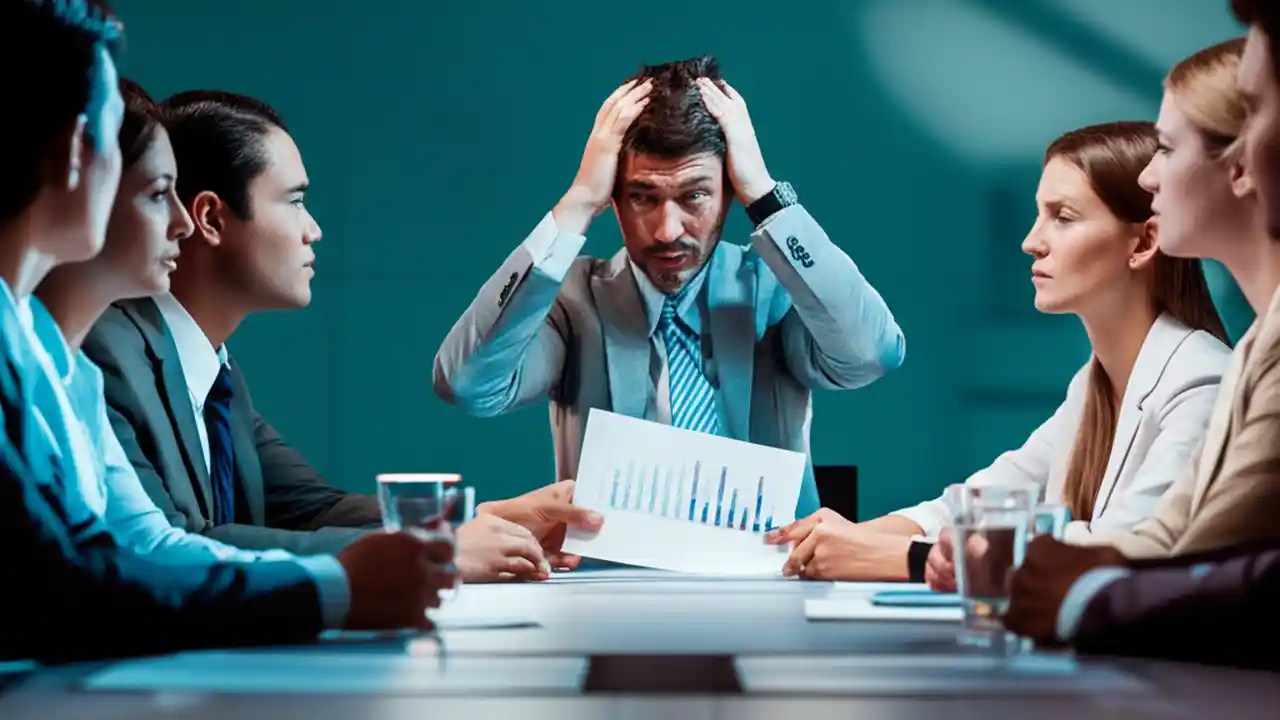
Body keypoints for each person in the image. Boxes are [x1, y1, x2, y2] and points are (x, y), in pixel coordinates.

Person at [0, 0, 449, 664]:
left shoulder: (60, 359)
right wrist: (339, 587)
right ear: (73, 150)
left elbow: (139, 546)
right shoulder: (78, 350)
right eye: (158, 191)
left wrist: (399, 555)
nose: (180, 222)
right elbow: (74, 578)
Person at [39, 80, 594, 580]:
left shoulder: (212, 372)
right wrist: (438, 545)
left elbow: (311, 509)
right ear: (210, 218)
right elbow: (176, 546)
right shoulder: (104, 351)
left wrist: (483, 521)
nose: (314, 230)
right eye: (296, 201)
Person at [433, 56, 906, 517]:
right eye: (642, 197)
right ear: (613, 199)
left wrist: (766, 197)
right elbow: (469, 386)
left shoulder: (777, 288)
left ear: (730, 194)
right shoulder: (570, 300)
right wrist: (578, 201)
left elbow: (871, 354)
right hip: (606, 566)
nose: (667, 231)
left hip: (772, 562)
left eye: (694, 195)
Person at [766, 122, 1231, 584]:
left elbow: (1125, 549)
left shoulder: (1201, 382)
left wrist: (907, 560)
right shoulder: (1094, 386)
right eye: (1039, 215)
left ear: (1144, 242)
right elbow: (983, 503)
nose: (1031, 242)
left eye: (1063, 217)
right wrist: (845, 539)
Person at [1004, 6, 1280, 662]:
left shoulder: (1207, 369)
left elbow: (1202, 554)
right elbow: (1169, 538)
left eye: (1167, 149)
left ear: (1240, 164)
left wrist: (1067, 589)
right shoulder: (1250, 349)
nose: (1150, 176)